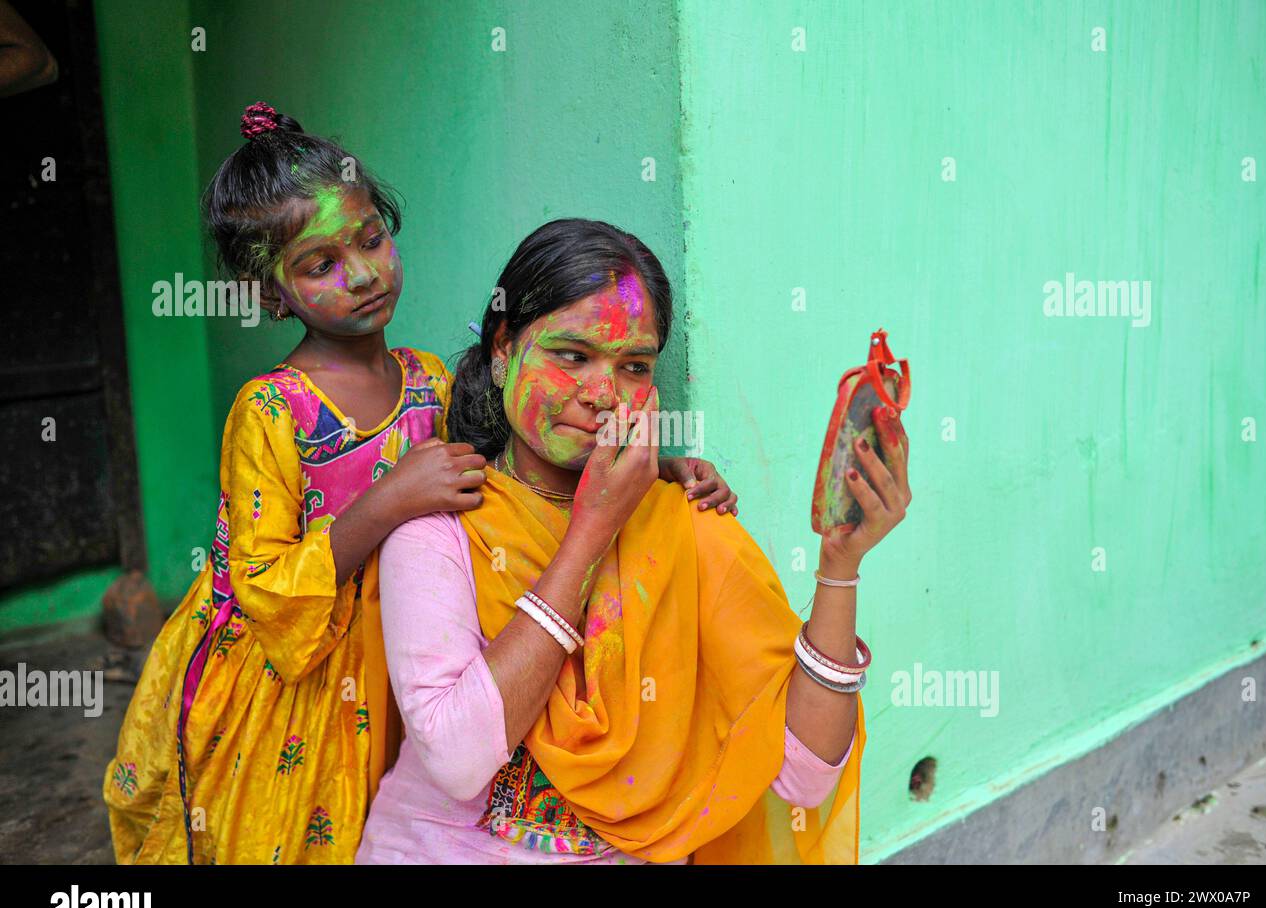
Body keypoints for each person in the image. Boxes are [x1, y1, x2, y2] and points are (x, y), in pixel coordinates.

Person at [104, 106, 735, 865]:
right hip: (293, 688)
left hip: (398, 651)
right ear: (270, 294)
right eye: (320, 264)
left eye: (371, 238)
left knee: (383, 793)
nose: (364, 272)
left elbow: (522, 459)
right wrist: (385, 504)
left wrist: (656, 469)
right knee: (293, 831)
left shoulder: (427, 380)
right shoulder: (270, 411)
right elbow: (261, 588)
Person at [357, 218, 910, 864]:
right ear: (503, 350)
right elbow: (456, 758)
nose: (601, 394)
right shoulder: (437, 531)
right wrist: (593, 530)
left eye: (633, 366)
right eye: (572, 355)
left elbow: (805, 774)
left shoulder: (685, 523)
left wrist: (839, 567)